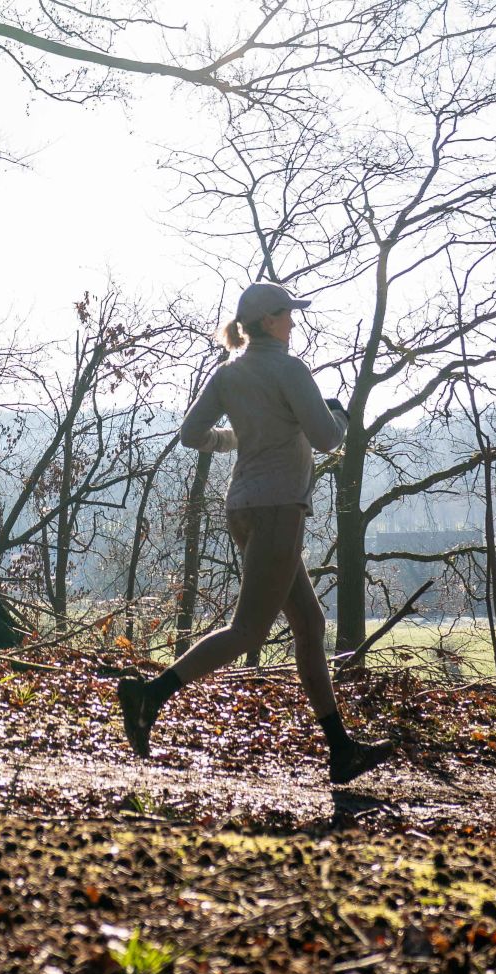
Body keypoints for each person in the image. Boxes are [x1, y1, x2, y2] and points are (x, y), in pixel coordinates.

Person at [115, 282, 396, 785]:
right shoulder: (290, 369)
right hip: (278, 510)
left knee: (309, 623)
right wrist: (339, 413)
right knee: (249, 630)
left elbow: (191, 434)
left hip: (243, 507)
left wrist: (239, 437)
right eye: (288, 314)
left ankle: (341, 751)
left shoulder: (229, 373)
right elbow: (328, 438)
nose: (294, 321)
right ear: (269, 321)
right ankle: (149, 695)